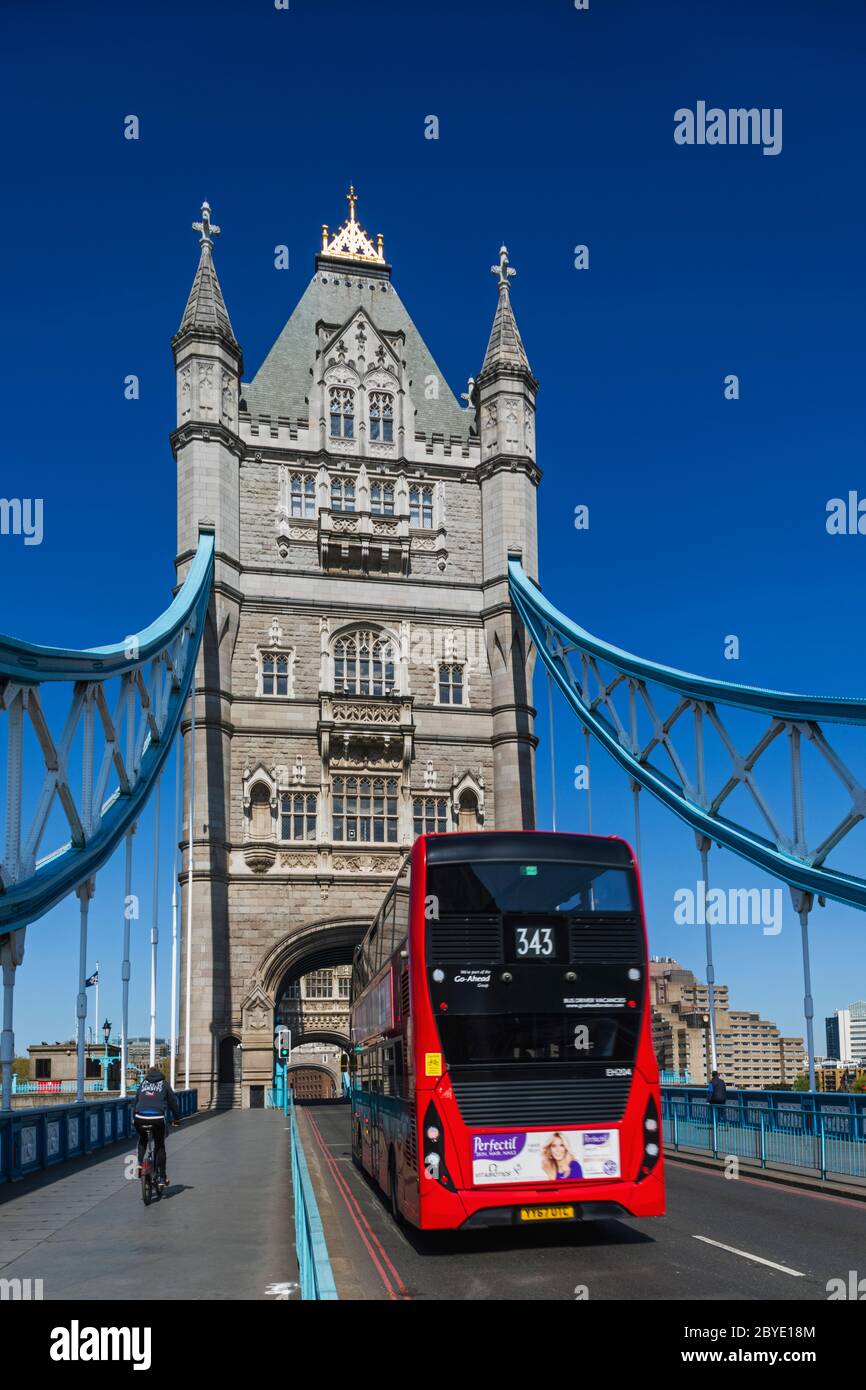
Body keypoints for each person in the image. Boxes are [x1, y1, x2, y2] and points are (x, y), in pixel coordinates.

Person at [133, 1065, 181, 1185]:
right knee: (160, 1145)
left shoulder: (143, 1083)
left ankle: (139, 1164)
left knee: (143, 1139)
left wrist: (135, 1116)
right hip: (157, 1118)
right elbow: (173, 1102)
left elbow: (135, 1102)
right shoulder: (164, 1084)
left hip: (140, 1117)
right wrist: (177, 1119)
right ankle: (162, 1178)